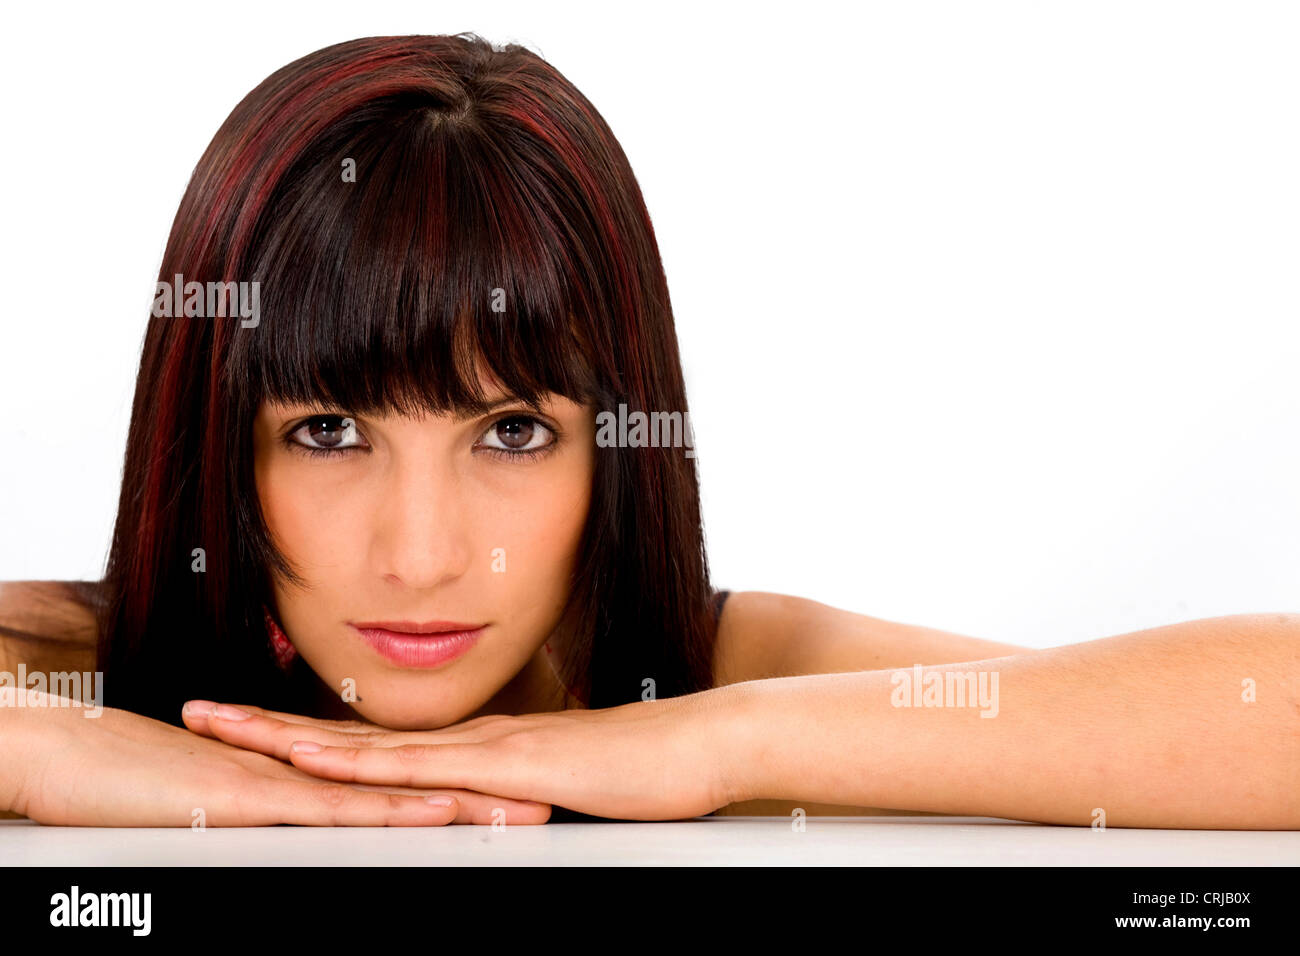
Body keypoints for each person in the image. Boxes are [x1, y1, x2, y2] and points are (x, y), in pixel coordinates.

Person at [1, 34, 1295, 829]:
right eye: (330, 432)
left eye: (511, 433)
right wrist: (46, 753)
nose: (421, 554)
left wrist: (713, 740)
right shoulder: (75, 659)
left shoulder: (718, 663)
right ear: (219, 438)